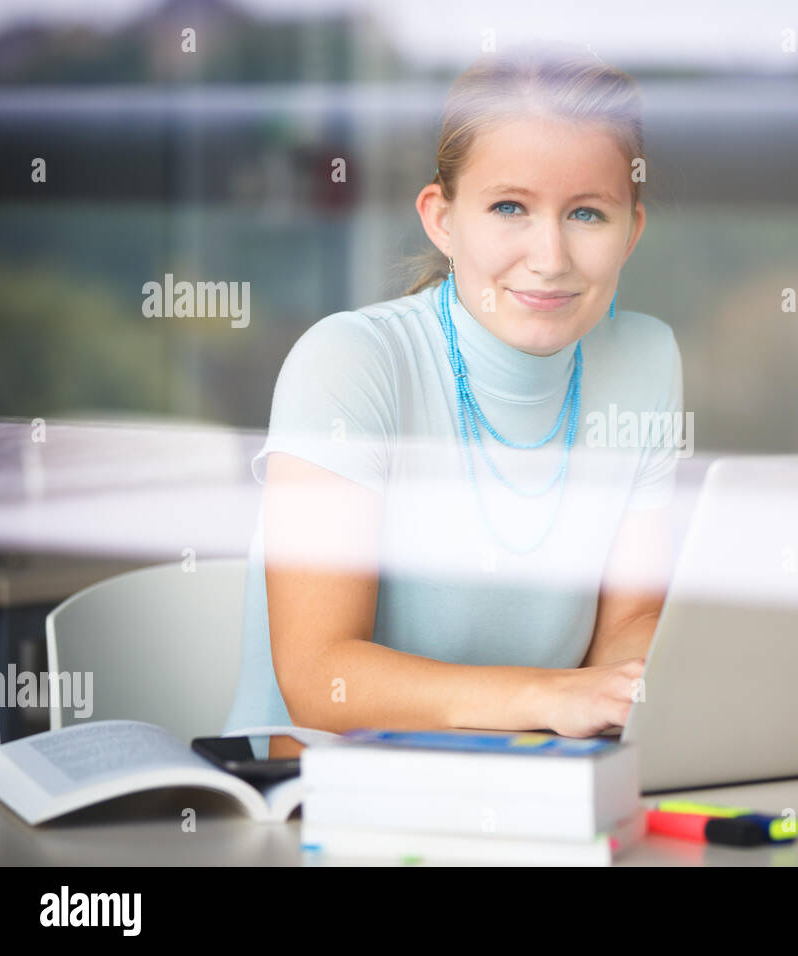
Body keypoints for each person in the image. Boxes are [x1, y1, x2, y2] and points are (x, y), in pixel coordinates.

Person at [223, 45, 683, 743]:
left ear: (632, 232)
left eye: (588, 214)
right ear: (442, 219)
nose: (550, 258)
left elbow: (630, 627)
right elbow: (320, 678)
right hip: (312, 807)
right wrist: (550, 698)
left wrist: (618, 699)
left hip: (532, 785)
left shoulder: (646, 361)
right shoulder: (348, 363)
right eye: (509, 207)